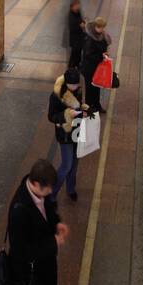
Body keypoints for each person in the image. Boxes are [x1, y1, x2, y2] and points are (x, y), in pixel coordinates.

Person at [5, 159, 66, 285]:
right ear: (37, 184)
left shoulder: (37, 189)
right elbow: (22, 252)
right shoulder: (19, 212)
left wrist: (57, 222)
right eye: (48, 189)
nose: (51, 191)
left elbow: (49, 208)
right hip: (32, 274)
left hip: (44, 265)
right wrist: (54, 242)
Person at [48, 68, 87, 201]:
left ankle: (71, 188)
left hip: (77, 130)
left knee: (75, 163)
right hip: (65, 135)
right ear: (66, 83)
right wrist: (66, 115)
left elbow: (79, 105)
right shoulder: (56, 96)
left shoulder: (78, 90)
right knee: (66, 165)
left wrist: (83, 109)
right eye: (73, 85)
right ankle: (52, 194)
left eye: (77, 84)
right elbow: (51, 116)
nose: (76, 87)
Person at [79, 16, 112, 114]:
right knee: (89, 89)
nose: (102, 29)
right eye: (100, 27)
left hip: (97, 67)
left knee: (97, 87)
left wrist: (105, 53)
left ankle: (97, 105)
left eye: (103, 27)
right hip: (89, 68)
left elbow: (103, 46)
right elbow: (88, 55)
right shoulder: (90, 39)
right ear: (96, 26)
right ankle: (89, 107)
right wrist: (101, 55)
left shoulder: (102, 35)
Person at [66, 0, 86, 67]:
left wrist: (83, 22)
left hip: (80, 37)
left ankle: (78, 64)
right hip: (75, 39)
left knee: (79, 52)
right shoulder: (71, 16)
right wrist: (80, 26)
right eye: (76, 5)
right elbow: (72, 28)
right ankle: (71, 66)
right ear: (72, 7)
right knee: (74, 54)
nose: (78, 6)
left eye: (78, 5)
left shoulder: (77, 11)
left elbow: (81, 19)